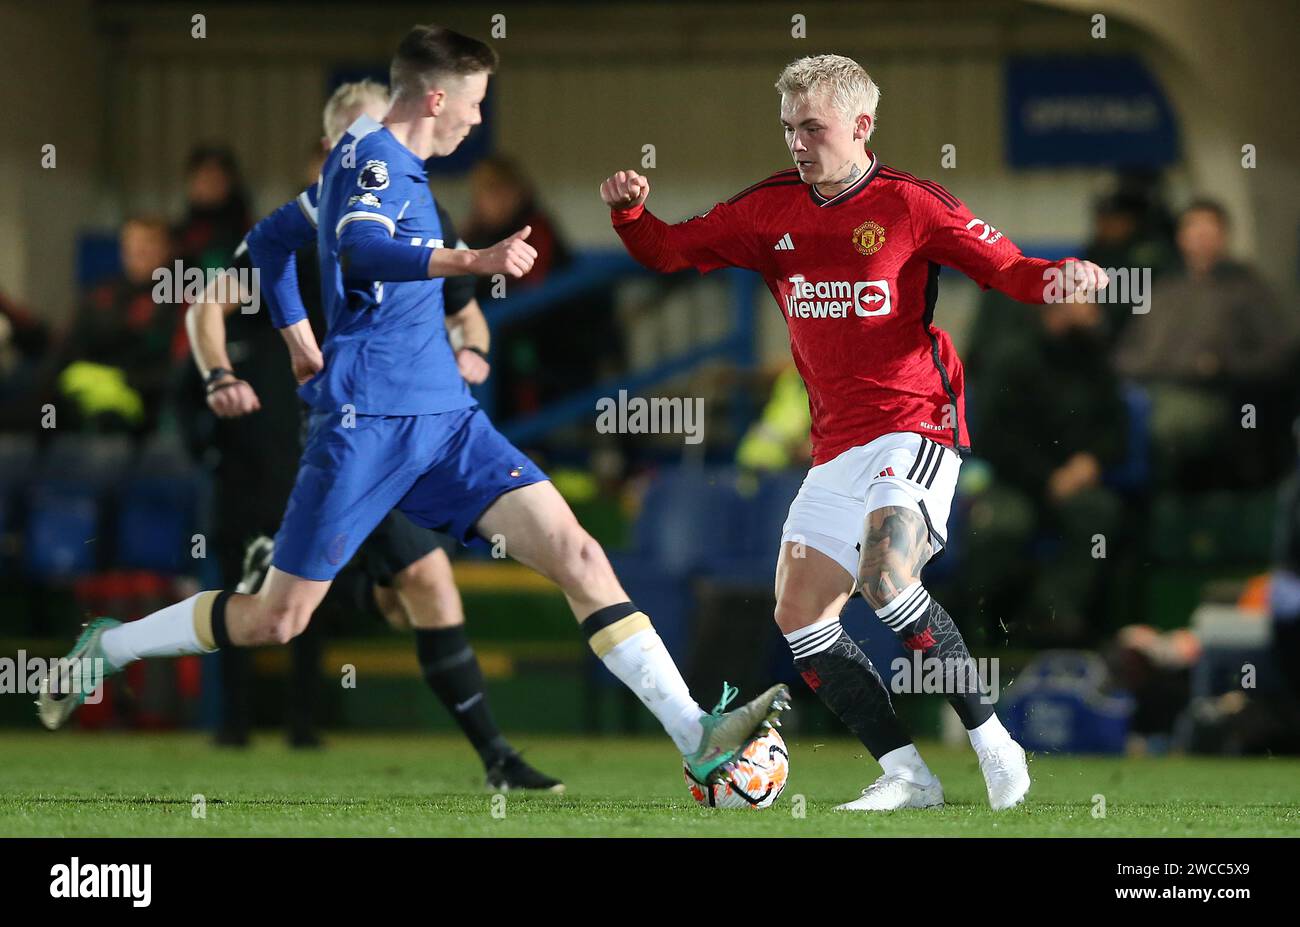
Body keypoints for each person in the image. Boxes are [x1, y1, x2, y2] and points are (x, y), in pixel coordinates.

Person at [40, 24, 789, 789]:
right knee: (278, 617)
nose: (477, 117)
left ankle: (695, 732)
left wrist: (300, 335)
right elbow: (362, 250)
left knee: (580, 554)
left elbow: (266, 247)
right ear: (437, 97)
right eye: (475, 101)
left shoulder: (374, 166)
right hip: (366, 428)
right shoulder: (371, 164)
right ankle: (112, 646)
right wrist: (473, 259)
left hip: (448, 422)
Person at [601, 53, 1109, 811]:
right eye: (788, 128)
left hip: (917, 422)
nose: (797, 143)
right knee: (799, 614)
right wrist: (630, 215)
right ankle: (909, 775)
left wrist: (1060, 276)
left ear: (862, 125)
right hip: (836, 443)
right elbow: (669, 250)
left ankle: (994, 742)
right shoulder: (766, 211)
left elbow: (1007, 269)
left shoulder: (912, 204)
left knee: (885, 578)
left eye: (812, 126)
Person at [187, 78, 561, 788]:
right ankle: (496, 759)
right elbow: (204, 305)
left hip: (395, 437)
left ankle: (491, 752)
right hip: (313, 444)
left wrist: (470, 350)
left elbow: (467, 312)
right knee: (396, 590)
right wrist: (216, 376)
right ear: (332, 149)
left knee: (405, 594)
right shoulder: (300, 228)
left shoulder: (419, 211)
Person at [1115, 199, 1299, 490]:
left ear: (1224, 236)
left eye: (1209, 228)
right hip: (1145, 390)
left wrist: (1223, 366)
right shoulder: (1163, 289)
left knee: (1168, 427)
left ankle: (1172, 512)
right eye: (1193, 227)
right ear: (1180, 236)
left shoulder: (1248, 288)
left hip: (1210, 396)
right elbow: (1128, 351)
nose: (1201, 236)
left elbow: (1279, 353)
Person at [56, 216, 181, 437]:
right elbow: (67, 352)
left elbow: (179, 368)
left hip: (151, 402)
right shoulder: (100, 297)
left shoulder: (183, 300)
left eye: (148, 243)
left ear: (167, 249)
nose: (138, 252)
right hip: (90, 397)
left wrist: (126, 380)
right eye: (131, 245)